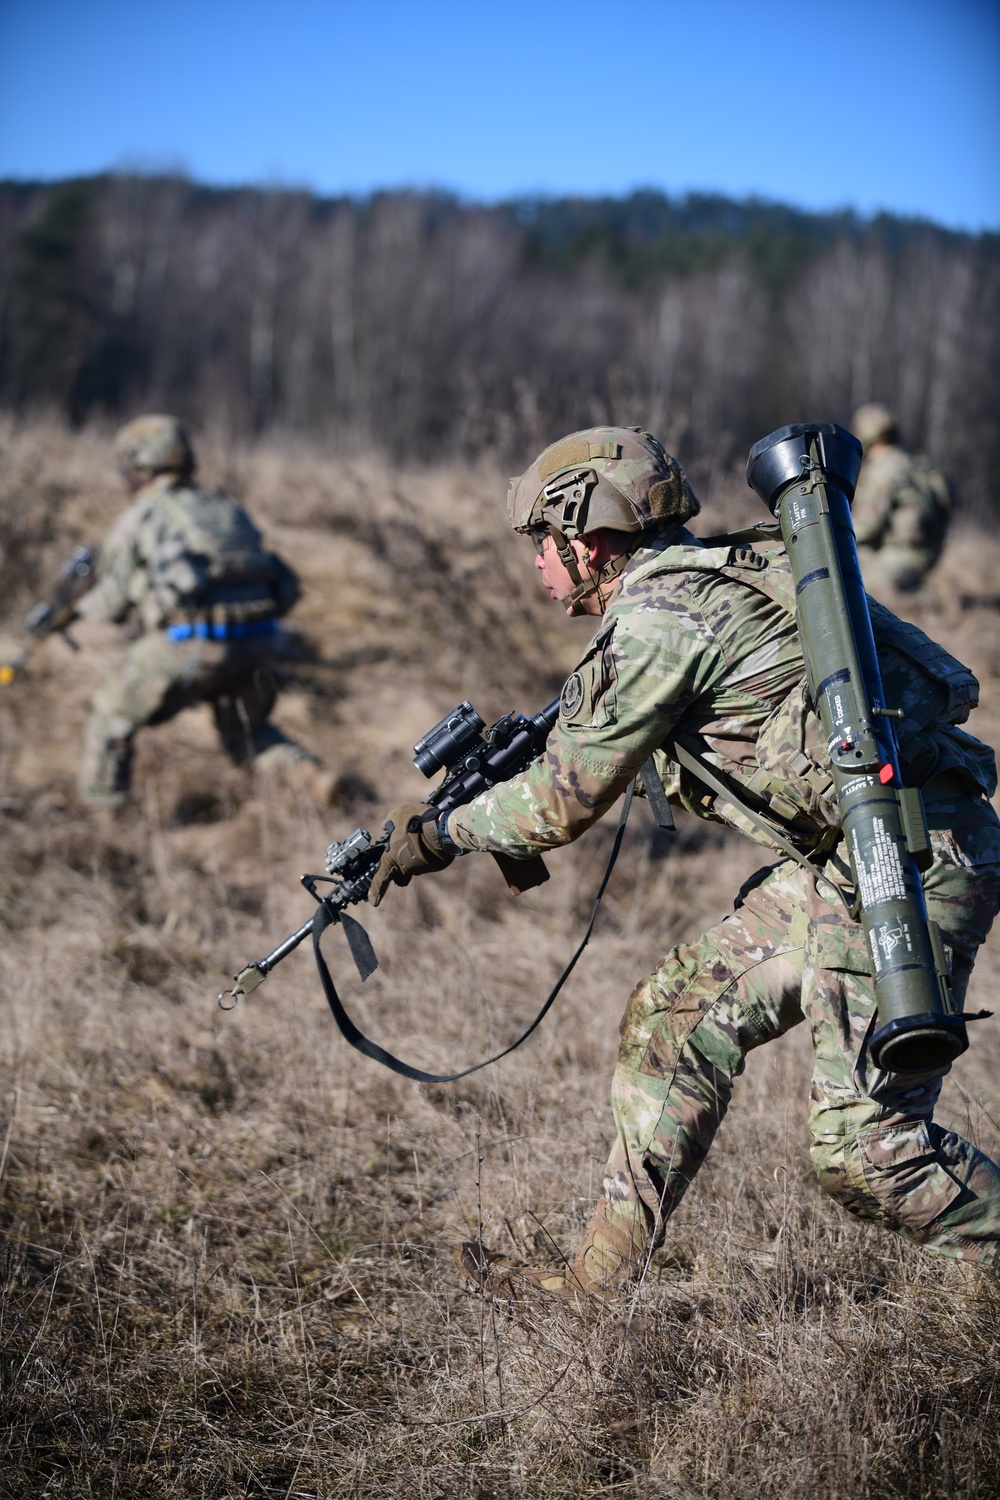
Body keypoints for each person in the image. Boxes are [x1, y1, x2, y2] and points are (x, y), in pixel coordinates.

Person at [370, 424, 1000, 1303]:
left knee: (868, 1151)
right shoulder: (720, 572)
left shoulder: (659, 620)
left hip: (907, 865)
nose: (538, 563)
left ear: (588, 537)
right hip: (853, 856)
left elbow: (558, 804)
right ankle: (596, 1290)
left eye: (541, 541)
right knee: (675, 1019)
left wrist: (440, 835)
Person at [74, 413, 332, 811]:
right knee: (248, 731)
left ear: (142, 467)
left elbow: (111, 601)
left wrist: (77, 610)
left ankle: (104, 818)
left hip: (191, 644)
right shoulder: (225, 507)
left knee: (109, 716)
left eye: (127, 469)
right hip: (259, 639)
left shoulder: (144, 514)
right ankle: (313, 778)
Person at [850, 403, 951, 596]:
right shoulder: (914, 461)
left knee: (844, 566)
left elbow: (867, 526)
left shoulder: (884, 469)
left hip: (898, 557)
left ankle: (916, 597)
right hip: (928, 554)